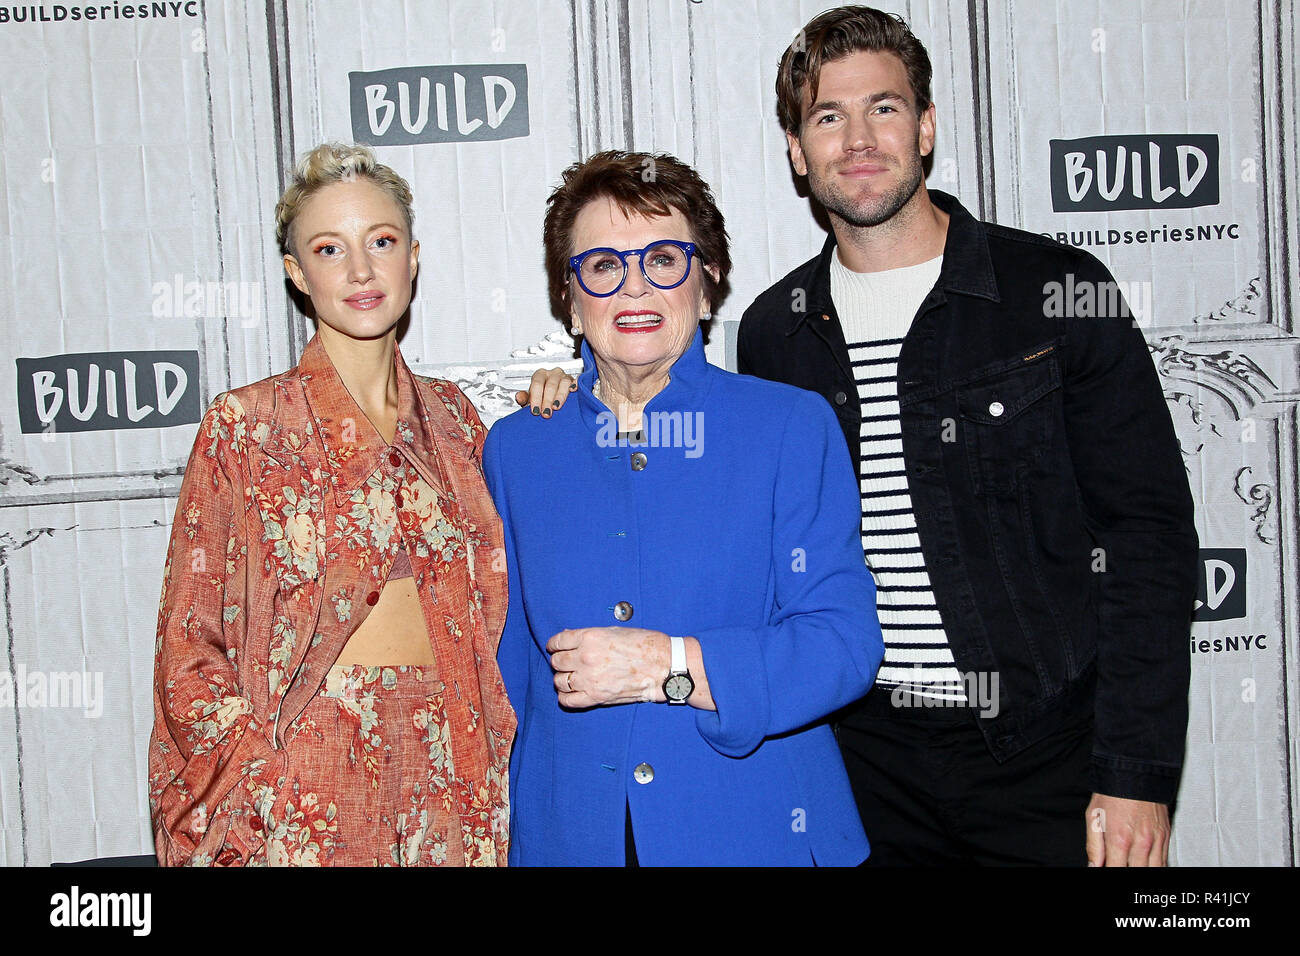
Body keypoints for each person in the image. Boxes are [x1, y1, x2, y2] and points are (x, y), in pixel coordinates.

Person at [739, 6, 1198, 866]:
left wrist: (1135, 772)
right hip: (863, 762)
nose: (859, 138)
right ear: (798, 154)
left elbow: (1148, 536)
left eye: (883, 106)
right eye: (826, 116)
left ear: (927, 127)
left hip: (1046, 756)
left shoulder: (1057, 290)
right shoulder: (776, 333)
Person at [484, 150, 884, 866]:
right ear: (570, 299)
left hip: (759, 831)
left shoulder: (789, 427)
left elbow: (842, 647)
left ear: (707, 284)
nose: (634, 286)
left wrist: (669, 665)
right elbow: (504, 676)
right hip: (570, 839)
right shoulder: (516, 451)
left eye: (664, 258)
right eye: (602, 266)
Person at [148, 142, 522, 866]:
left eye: (381, 242)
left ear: (413, 256)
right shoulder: (246, 425)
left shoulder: (458, 421)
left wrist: (562, 407)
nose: (360, 271)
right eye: (329, 248)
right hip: (308, 775)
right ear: (297, 273)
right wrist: (260, 776)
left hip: (455, 764)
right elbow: (188, 644)